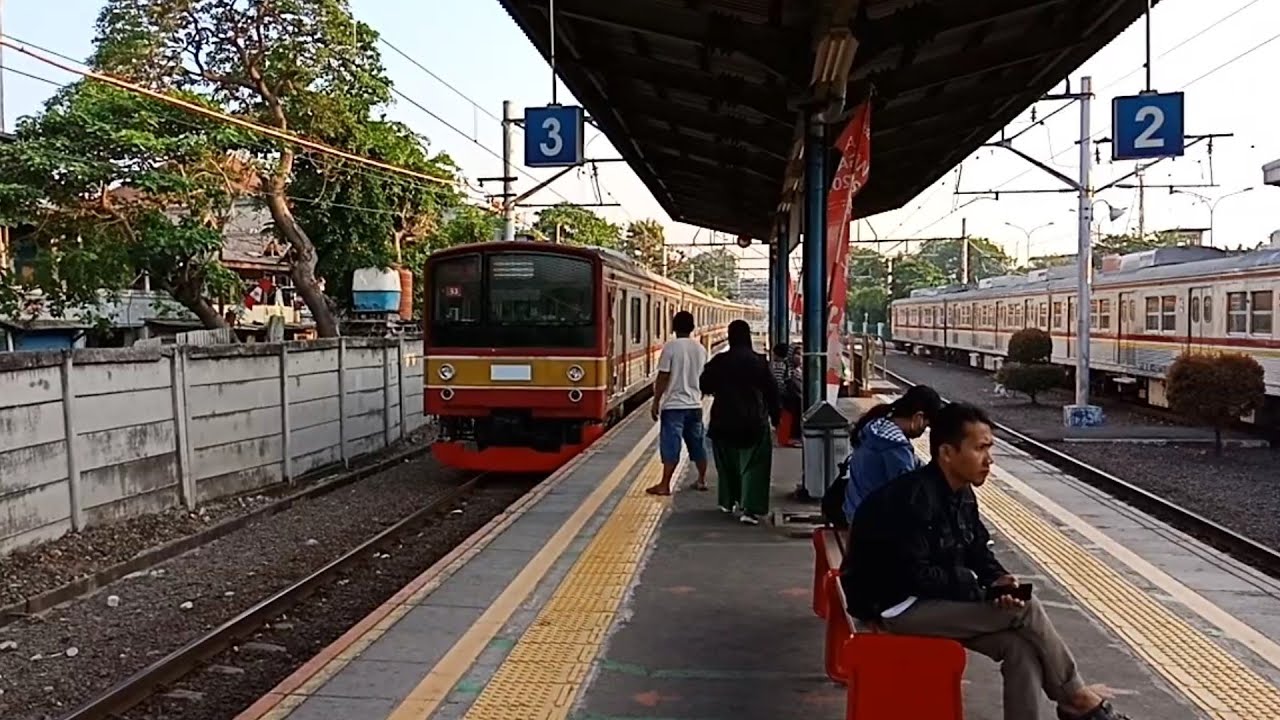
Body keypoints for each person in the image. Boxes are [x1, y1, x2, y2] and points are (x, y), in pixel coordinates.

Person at [841, 403, 1130, 720]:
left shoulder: (962, 493)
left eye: (989, 448)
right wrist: (980, 592)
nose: (989, 460)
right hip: (894, 607)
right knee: (1027, 608)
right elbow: (915, 576)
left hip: (928, 603)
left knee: (1018, 648)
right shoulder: (912, 499)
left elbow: (978, 550)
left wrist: (998, 580)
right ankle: (1075, 696)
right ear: (947, 453)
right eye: (980, 449)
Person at [700, 320, 780, 525]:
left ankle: (728, 502)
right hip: (753, 421)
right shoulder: (759, 361)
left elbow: (705, 384)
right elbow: (772, 392)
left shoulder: (719, 361)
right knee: (754, 466)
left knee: (727, 465)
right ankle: (750, 509)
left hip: (722, 420)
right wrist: (776, 418)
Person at [838, 385, 943, 525]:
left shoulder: (874, 428)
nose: (924, 431)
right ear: (918, 417)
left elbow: (916, 466)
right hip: (872, 526)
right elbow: (910, 495)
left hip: (853, 513)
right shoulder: (895, 448)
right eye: (926, 425)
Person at [647, 310, 709, 496]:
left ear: (674, 327)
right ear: (692, 327)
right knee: (698, 444)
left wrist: (656, 401)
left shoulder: (671, 347)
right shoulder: (701, 349)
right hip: (694, 405)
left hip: (674, 405)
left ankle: (665, 485)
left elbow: (663, 376)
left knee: (671, 445)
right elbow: (705, 377)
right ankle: (702, 480)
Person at [770, 343, 803, 446]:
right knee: (787, 418)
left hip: (786, 398)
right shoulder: (784, 366)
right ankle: (787, 438)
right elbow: (779, 383)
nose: (799, 356)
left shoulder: (793, 369)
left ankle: (786, 438)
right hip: (786, 398)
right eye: (796, 353)